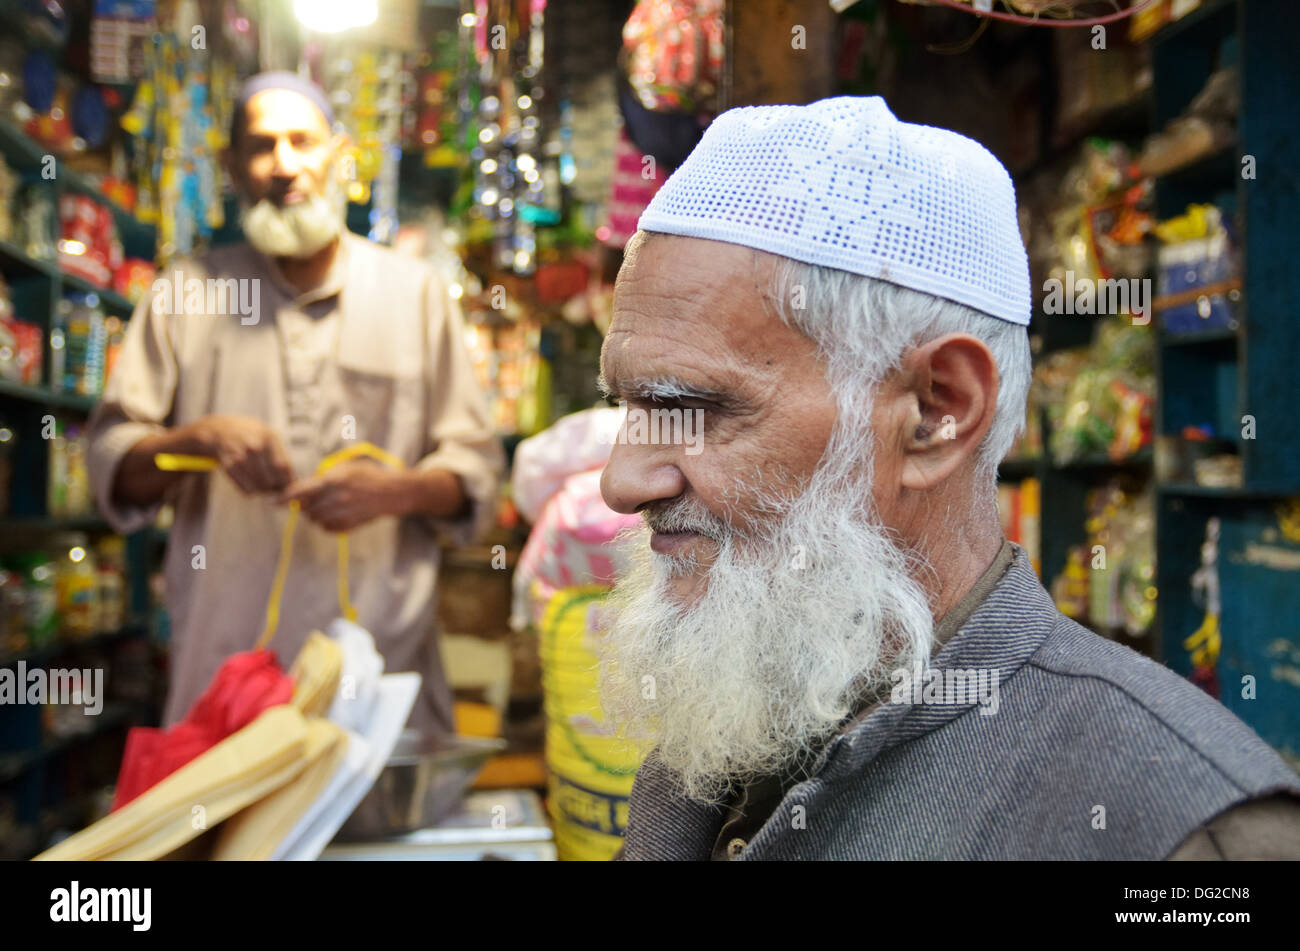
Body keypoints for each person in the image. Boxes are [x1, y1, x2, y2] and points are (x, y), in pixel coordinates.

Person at [596, 96, 1300, 860]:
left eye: (690, 407)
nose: (621, 480)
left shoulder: (1181, 829)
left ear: (938, 410)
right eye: (626, 406)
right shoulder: (726, 732)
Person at [87, 72, 503, 738]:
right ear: (231, 166)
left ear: (338, 153)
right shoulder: (184, 292)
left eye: (302, 141)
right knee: (231, 836)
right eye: (261, 145)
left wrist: (396, 491)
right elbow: (111, 465)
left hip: (377, 673)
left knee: (377, 836)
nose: (284, 165)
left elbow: (476, 475)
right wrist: (195, 440)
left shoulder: (415, 295)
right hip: (225, 673)